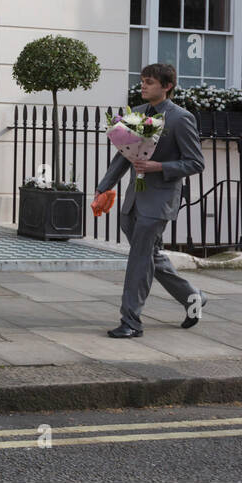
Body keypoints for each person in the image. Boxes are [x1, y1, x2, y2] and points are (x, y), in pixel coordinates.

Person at [94, 62, 206, 338]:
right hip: (133, 199)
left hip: (160, 201)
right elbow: (123, 156)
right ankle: (193, 297)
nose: (143, 85)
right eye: (142, 80)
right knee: (150, 257)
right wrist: (103, 188)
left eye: (150, 82)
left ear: (166, 86)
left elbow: (195, 162)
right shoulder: (138, 114)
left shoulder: (181, 118)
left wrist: (160, 167)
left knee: (139, 260)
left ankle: (131, 321)